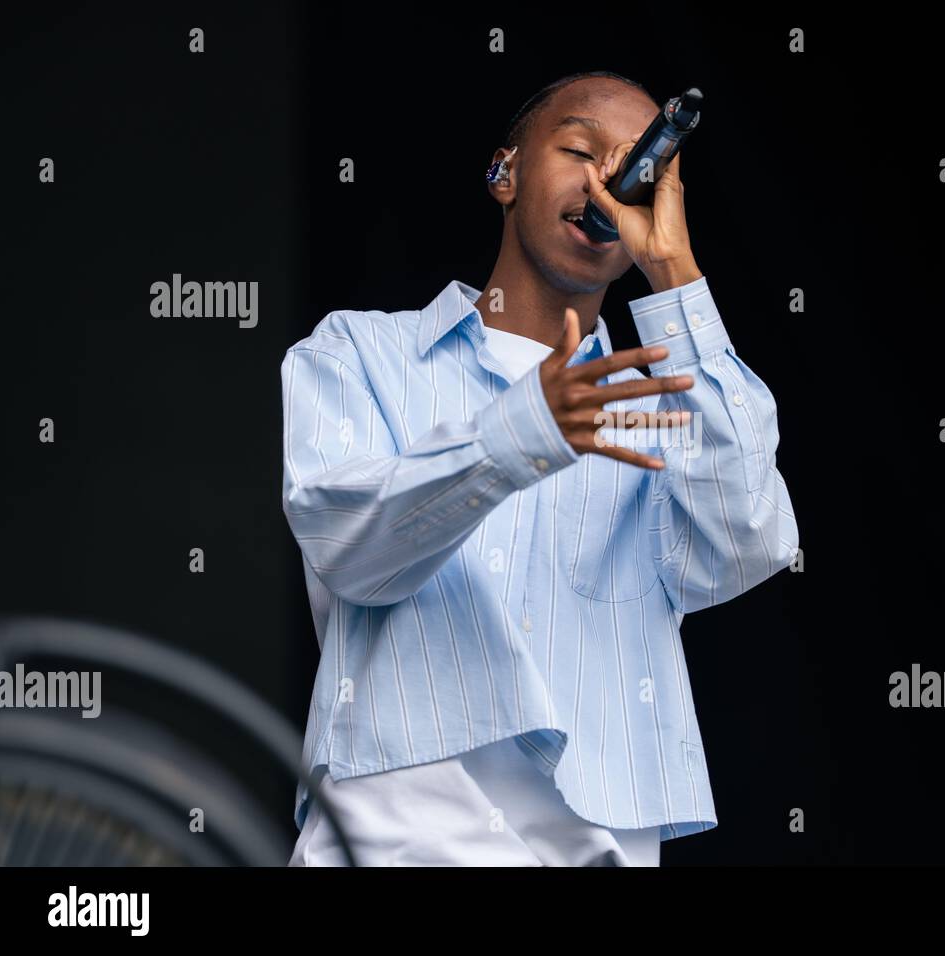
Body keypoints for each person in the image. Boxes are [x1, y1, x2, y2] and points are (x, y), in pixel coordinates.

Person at [281, 71, 799, 865]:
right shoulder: (358, 352)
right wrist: (519, 438)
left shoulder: (663, 402)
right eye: (580, 149)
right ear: (504, 174)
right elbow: (349, 547)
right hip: (392, 841)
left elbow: (745, 542)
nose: (609, 181)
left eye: (637, 169)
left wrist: (674, 271)